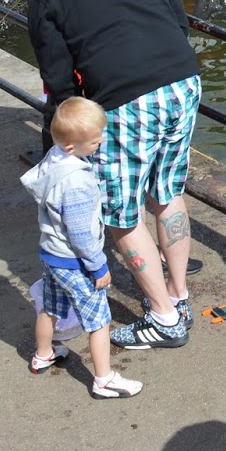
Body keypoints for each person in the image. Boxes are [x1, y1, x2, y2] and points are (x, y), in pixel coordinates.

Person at [27, 0, 212, 351]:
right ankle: (180, 297)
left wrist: (63, 129)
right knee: (167, 191)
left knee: (119, 211)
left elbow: (56, 78)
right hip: (182, 82)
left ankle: (165, 320)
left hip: (126, 99)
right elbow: (176, 18)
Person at [22, 96, 143, 398]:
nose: (101, 142)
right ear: (71, 148)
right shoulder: (75, 184)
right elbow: (80, 234)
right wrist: (98, 265)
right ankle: (104, 379)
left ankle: (43, 354)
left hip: (52, 254)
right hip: (75, 262)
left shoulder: (54, 157)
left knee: (50, 308)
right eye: (94, 141)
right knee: (99, 320)